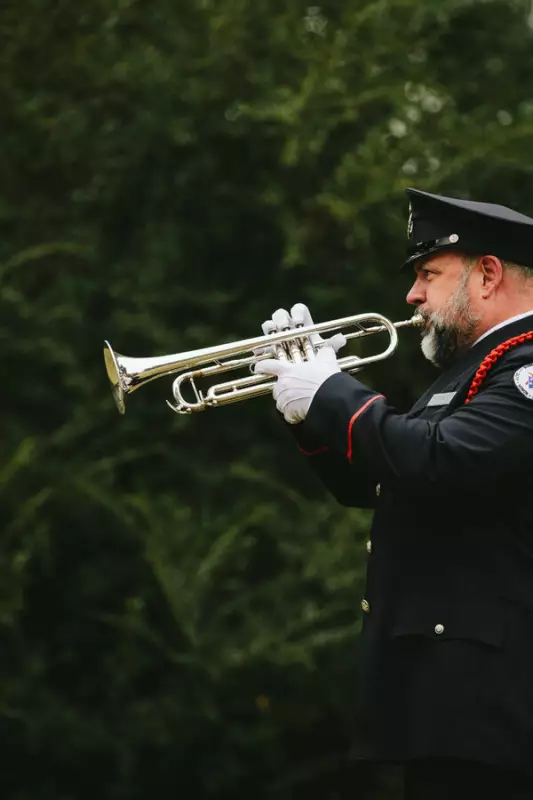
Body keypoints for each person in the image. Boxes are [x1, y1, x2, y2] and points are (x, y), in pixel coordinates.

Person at [257, 188, 533, 799]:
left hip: (493, 701)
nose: (412, 295)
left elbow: (444, 459)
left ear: (487, 275)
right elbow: (381, 481)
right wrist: (306, 407)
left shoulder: (525, 369)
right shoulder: (473, 371)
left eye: (429, 274)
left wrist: (333, 393)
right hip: (447, 696)